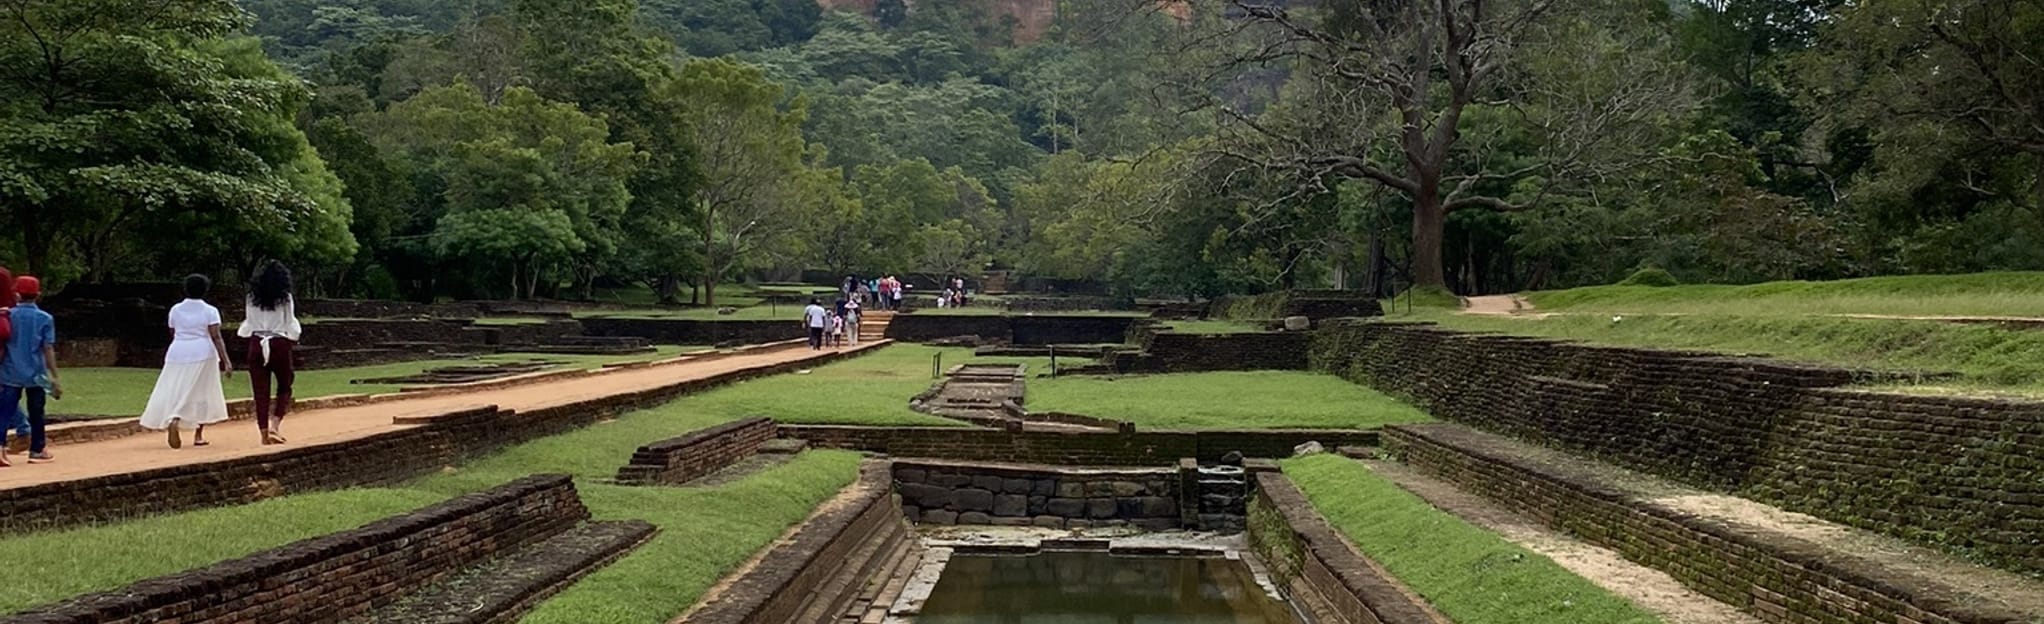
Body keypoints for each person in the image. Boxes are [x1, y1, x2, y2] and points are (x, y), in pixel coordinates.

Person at [139, 274, 232, 449]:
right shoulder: (210, 311)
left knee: (175, 388)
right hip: (203, 352)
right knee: (202, 392)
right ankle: (196, 433)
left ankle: (174, 417)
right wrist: (226, 360)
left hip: (177, 351)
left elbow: (173, 332)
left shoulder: (176, 309)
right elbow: (216, 336)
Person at [238, 261, 301, 445]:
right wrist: (294, 337)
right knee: (285, 385)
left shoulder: (251, 297)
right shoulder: (285, 298)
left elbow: (249, 323)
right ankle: (275, 424)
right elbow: (290, 321)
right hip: (279, 342)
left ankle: (264, 432)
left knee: (260, 391)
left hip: (257, 342)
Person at [0, 275, 57, 465]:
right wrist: (54, 376)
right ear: (38, 295)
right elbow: (47, 348)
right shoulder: (45, 318)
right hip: (36, 372)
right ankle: (37, 449)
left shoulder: (8, 316)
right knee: (37, 412)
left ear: (16, 294)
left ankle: (0, 448)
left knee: (4, 412)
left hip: (10, 371)